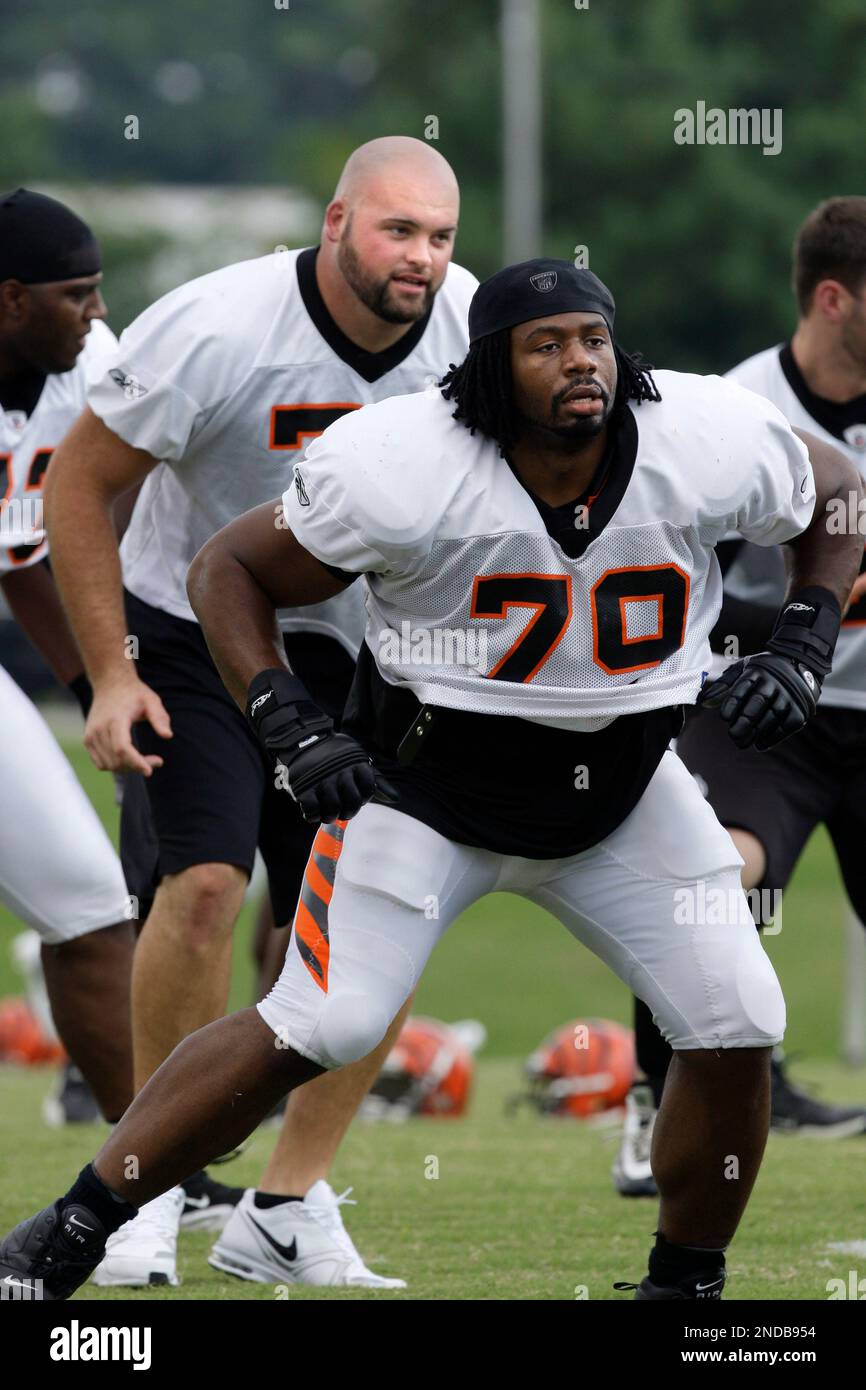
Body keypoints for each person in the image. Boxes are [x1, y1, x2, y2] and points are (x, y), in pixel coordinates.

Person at [2, 258, 862, 1302]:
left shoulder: (696, 433)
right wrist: (286, 719)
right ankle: (68, 1229)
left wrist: (804, 641)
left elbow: (838, 491)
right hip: (429, 792)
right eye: (544, 346)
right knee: (324, 1023)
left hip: (625, 795)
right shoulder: (406, 460)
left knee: (735, 1018)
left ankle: (684, 1284)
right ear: (487, 374)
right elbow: (226, 567)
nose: (577, 362)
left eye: (590, 339)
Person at [42, 137, 476, 1288]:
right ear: (335, 224)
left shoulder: (474, 328)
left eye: (438, 236)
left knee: (363, 917)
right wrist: (111, 671)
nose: (420, 259)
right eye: (396, 230)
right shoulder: (218, 326)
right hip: (185, 621)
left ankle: (286, 1204)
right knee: (202, 888)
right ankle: (145, 1190)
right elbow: (77, 485)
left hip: (365, 645)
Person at [615, 197, 866, 1199]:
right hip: (763, 712)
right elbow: (675, 583)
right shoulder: (736, 410)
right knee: (711, 874)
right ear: (832, 298)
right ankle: (652, 1092)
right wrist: (768, 651)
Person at [0, 188, 134, 1125]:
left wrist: (104, 684)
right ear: (10, 300)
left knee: (89, 908)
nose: (96, 315)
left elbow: (27, 559)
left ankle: (151, 1172)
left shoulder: (94, 370)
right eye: (75, 294)